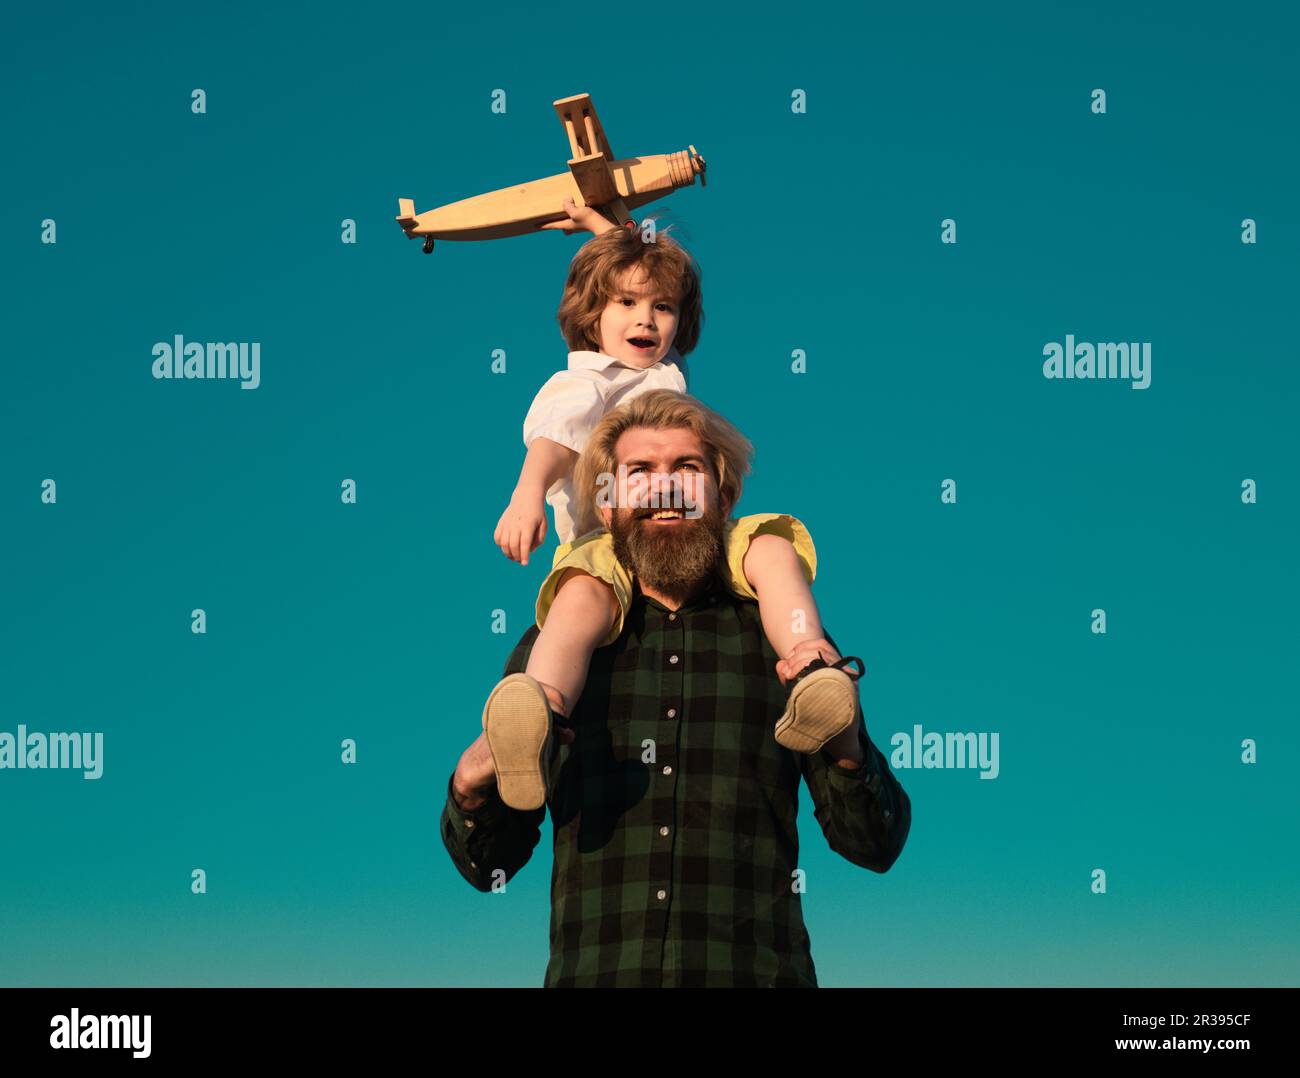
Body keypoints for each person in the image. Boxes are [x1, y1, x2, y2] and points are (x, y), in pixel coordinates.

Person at [442, 389, 911, 987]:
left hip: (755, 973)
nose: (665, 488)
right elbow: (490, 864)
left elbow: (874, 843)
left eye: (687, 469)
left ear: (725, 499)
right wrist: (472, 781)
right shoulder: (558, 642)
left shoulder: (782, 638)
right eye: (639, 472)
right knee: (528, 718)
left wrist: (845, 742)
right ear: (606, 508)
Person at [489, 202, 863, 809]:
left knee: (769, 545)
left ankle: (810, 664)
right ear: (592, 315)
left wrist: (601, 229)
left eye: (663, 308)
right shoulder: (586, 382)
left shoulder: (660, 372)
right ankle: (539, 711)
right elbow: (555, 440)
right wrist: (527, 494)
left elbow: (632, 272)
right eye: (628, 305)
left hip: (682, 531)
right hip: (609, 544)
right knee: (581, 598)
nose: (647, 319)